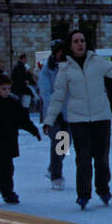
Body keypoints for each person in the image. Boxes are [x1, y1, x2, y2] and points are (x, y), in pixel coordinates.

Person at [41, 31, 112, 209]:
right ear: (70, 46)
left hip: (101, 117)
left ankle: (103, 189)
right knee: (83, 158)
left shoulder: (97, 62)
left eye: (82, 40)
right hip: (78, 119)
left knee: (101, 158)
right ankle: (83, 194)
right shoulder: (65, 69)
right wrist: (49, 119)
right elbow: (58, 96)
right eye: (76, 41)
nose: (80, 44)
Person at [0, 73, 41, 205]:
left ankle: (8, 192)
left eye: (9, 89)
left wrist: (33, 130)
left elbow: (22, 119)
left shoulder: (12, 102)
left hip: (9, 140)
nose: (7, 92)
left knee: (8, 168)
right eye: (4, 89)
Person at [39, 39, 69, 189]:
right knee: (58, 141)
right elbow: (45, 91)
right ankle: (56, 176)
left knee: (66, 144)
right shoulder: (47, 69)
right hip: (53, 112)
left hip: (69, 111)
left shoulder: (70, 66)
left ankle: (53, 166)